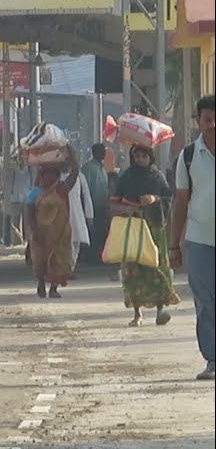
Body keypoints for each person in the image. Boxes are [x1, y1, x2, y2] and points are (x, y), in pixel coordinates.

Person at [170, 94, 216, 381]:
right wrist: (173, 245)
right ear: (198, 121)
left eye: (215, 118)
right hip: (199, 241)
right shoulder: (188, 157)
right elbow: (180, 203)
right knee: (205, 303)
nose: (212, 124)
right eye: (207, 119)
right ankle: (212, 359)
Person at [111, 144, 179, 327]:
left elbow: (168, 198)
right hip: (133, 228)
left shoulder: (157, 177)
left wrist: (154, 199)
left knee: (156, 268)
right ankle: (137, 313)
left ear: (150, 157)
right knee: (133, 270)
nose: (140, 159)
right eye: (137, 156)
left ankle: (160, 311)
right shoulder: (126, 177)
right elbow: (114, 202)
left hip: (154, 229)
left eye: (144, 156)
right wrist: (126, 208)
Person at [24, 147, 82, 298]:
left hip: (60, 233)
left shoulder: (61, 189)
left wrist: (71, 155)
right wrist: (33, 230)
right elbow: (30, 211)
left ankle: (54, 288)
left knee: (60, 260)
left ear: (57, 176)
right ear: (41, 176)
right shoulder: (35, 193)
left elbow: (74, 173)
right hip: (41, 233)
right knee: (40, 260)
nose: (49, 177)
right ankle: (41, 284)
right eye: (46, 174)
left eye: (53, 174)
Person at [80, 144, 112, 266]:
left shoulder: (102, 168)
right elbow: (84, 189)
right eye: (100, 151)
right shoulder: (88, 168)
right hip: (91, 206)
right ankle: (90, 255)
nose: (103, 154)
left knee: (100, 231)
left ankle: (97, 254)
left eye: (103, 151)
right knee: (91, 231)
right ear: (94, 152)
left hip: (102, 205)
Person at [67, 162, 95, 277]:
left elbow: (86, 195)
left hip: (76, 213)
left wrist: (90, 215)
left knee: (75, 242)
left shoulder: (79, 176)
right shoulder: (56, 175)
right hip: (60, 213)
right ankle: (64, 269)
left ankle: (70, 268)